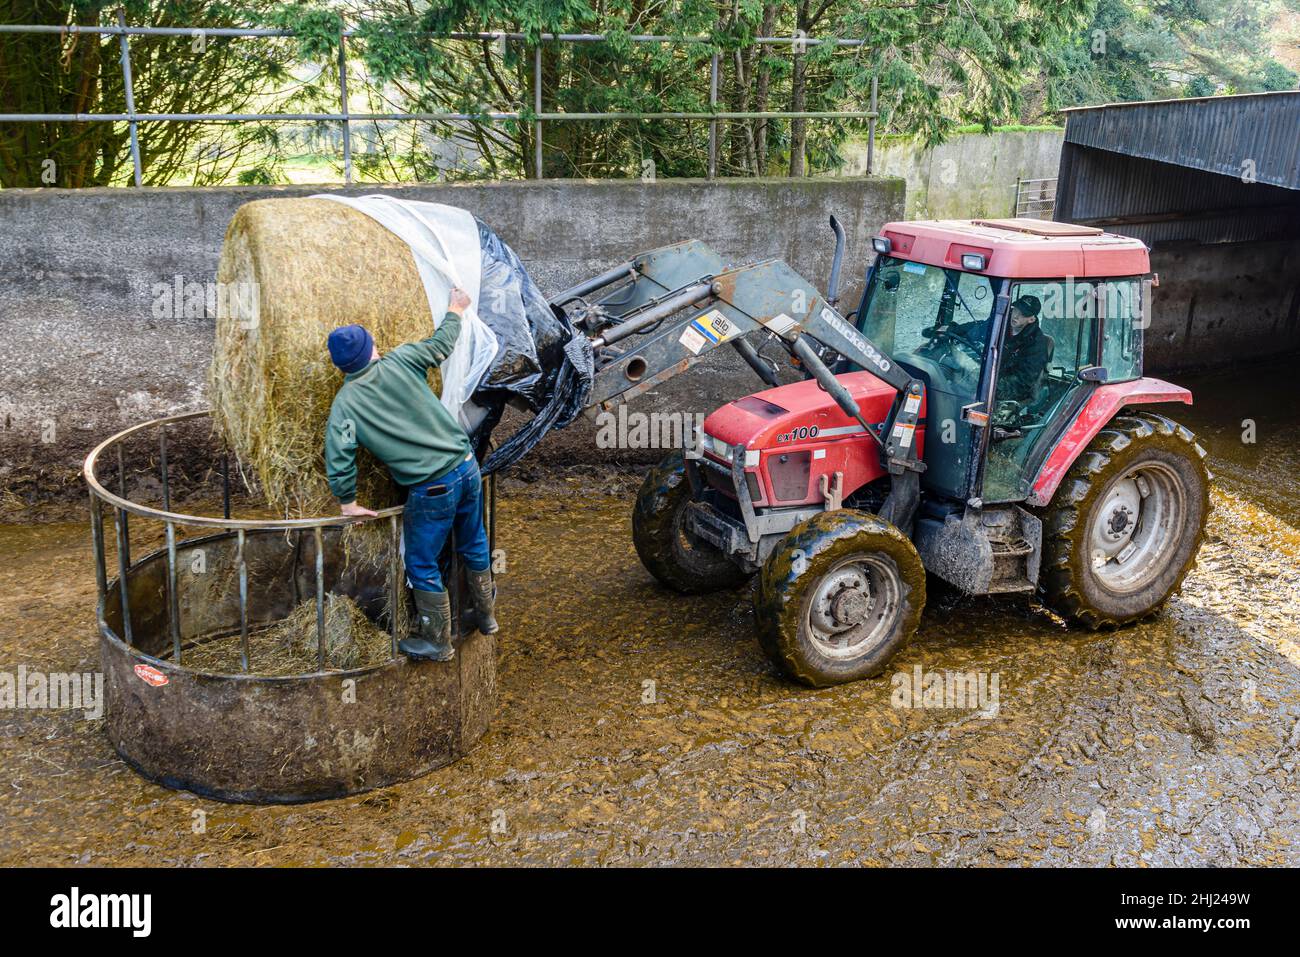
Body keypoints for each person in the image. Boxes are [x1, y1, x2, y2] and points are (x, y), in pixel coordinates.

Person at [324, 287, 496, 663]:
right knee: (473, 540)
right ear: (371, 350)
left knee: (420, 561)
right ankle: (486, 614)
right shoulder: (403, 359)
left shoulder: (346, 406)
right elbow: (440, 345)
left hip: (433, 486)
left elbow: (341, 455)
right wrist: (455, 309)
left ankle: (437, 641)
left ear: (342, 366)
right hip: (466, 467)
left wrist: (347, 501)